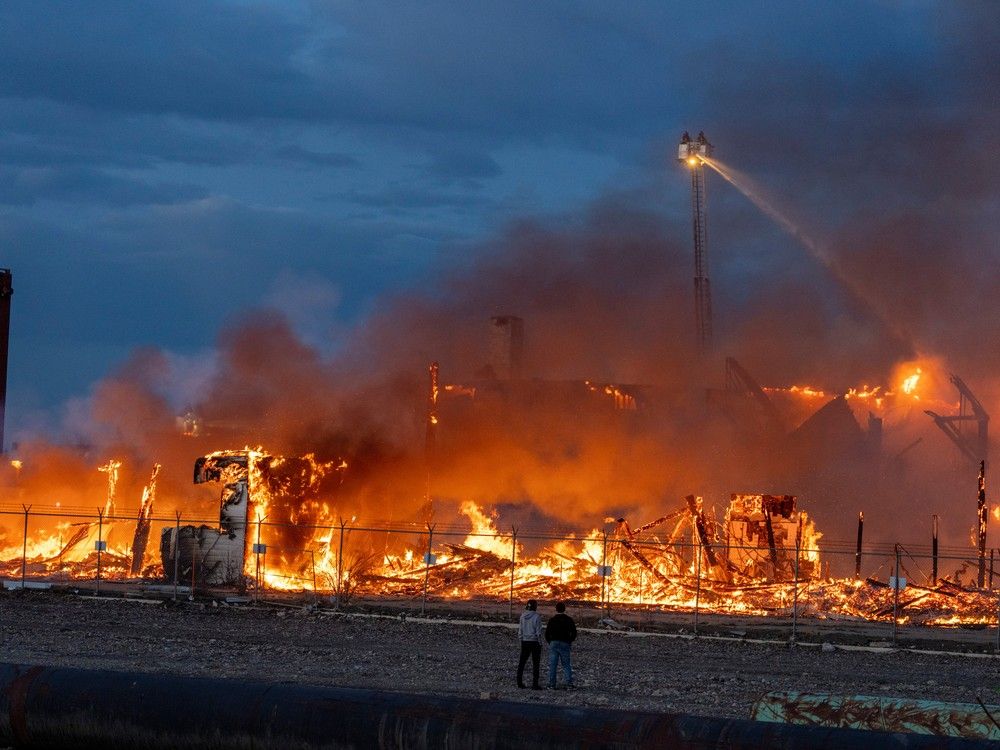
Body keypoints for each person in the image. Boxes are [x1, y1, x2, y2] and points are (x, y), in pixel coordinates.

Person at [545, 601, 576, 689]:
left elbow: (547, 633)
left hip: (554, 643)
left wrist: (550, 641)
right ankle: (569, 684)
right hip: (565, 643)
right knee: (566, 664)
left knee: (553, 665)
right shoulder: (569, 620)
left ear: (556, 609)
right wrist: (570, 640)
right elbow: (574, 632)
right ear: (564, 609)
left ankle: (552, 684)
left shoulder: (552, 620)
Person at [516, 599, 543, 689]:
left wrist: (521, 639)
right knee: (535, 663)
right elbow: (538, 632)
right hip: (534, 642)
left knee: (522, 662)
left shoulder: (522, 616)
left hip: (525, 641)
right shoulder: (537, 617)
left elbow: (520, 630)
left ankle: (519, 682)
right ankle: (535, 684)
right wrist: (540, 642)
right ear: (535, 607)